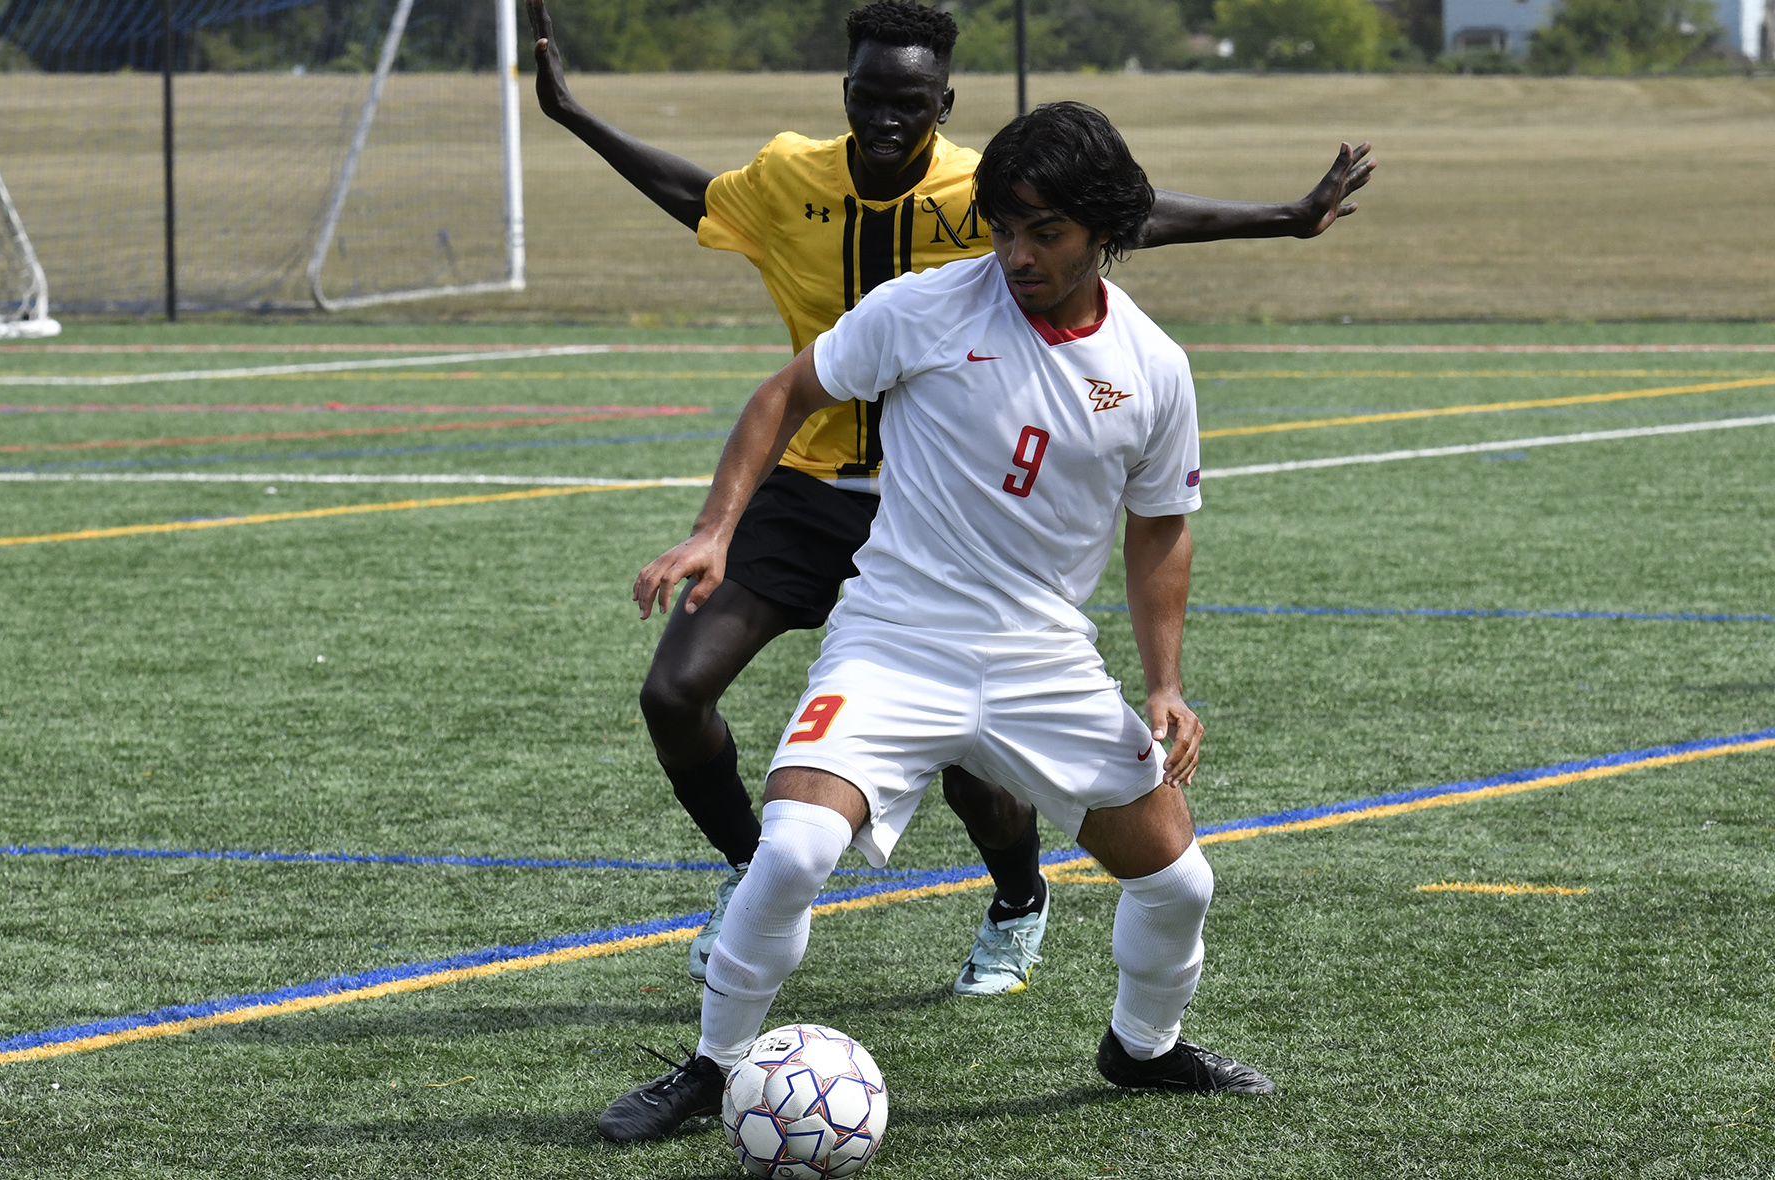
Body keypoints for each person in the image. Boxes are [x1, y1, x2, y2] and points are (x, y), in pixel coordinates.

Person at [528, 0, 1374, 997]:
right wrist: (575, 116)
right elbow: (695, 195)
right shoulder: (789, 175)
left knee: (980, 757)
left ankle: (1017, 897)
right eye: (869, 97)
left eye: (911, 101)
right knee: (674, 690)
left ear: (945, 102)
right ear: (845, 92)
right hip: (812, 489)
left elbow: (1130, 215)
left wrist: (1281, 216)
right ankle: (755, 873)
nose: (887, 118)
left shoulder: (988, 189)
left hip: (941, 504)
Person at [602, 98, 1273, 1144]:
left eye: (1043, 232)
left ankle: (1143, 1048)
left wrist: (1165, 684)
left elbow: (1160, 530)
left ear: (1106, 229)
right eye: (1003, 228)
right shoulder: (926, 308)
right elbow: (787, 392)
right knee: (789, 853)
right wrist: (716, 527)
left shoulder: (1154, 368)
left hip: (1042, 662)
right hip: (894, 641)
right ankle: (712, 1064)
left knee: (1182, 879)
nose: (1016, 254)